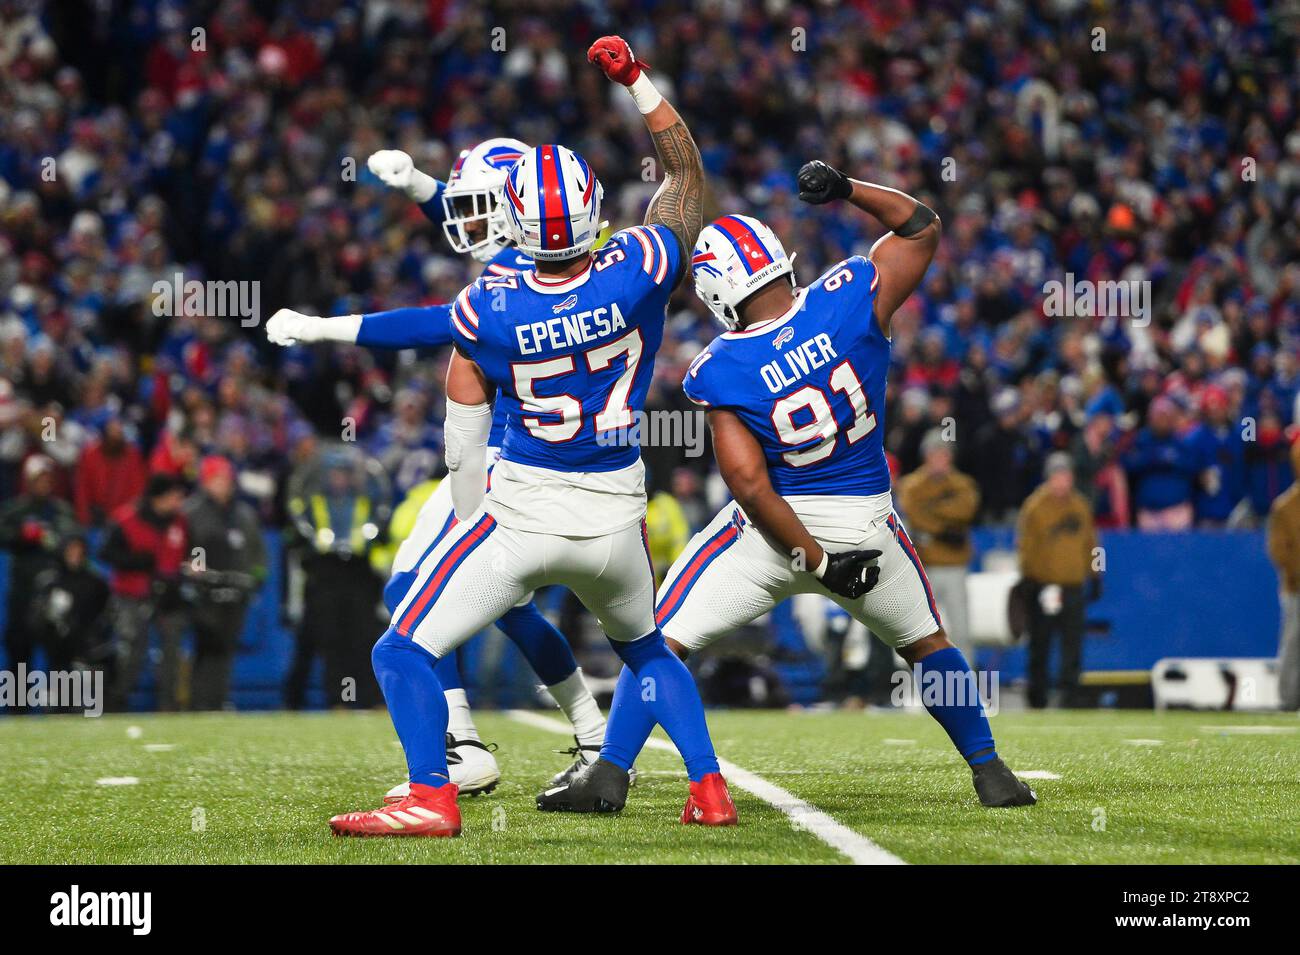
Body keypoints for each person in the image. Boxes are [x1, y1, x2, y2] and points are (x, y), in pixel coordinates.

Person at [327, 36, 732, 837]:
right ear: (594, 209)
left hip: (524, 510)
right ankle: (709, 788)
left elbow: (459, 414)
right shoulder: (643, 262)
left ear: (515, 225)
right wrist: (636, 82)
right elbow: (686, 177)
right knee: (648, 652)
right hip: (619, 513)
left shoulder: (491, 307)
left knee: (400, 645)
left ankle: (431, 795)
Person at [545, 160, 1035, 813]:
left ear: (717, 291)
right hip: (866, 524)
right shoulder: (849, 295)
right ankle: (990, 769)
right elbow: (921, 228)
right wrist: (847, 190)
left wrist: (811, 556)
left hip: (772, 535)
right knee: (926, 645)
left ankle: (610, 772)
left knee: (658, 641)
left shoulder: (722, 365)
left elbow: (747, 482)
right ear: (779, 258)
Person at [267, 136, 607, 795]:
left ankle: (462, 747)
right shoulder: (556, 261)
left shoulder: (515, 279)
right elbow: (466, 223)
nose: (464, 220)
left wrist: (318, 326)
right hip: (552, 461)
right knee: (505, 608)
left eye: (482, 206)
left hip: (503, 459)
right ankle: (592, 733)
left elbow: (431, 323)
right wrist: (421, 184)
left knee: (409, 595)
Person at [283, 452, 388, 712]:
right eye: (336, 474)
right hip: (325, 574)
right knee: (331, 641)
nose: (340, 479)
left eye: (345, 473)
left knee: (365, 638)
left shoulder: (364, 503)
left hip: (359, 573)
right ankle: (338, 700)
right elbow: (297, 537)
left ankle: (371, 699)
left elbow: (380, 535)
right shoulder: (314, 504)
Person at [182, 455, 266, 711]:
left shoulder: (244, 515)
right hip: (203, 593)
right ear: (205, 482)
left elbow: (258, 553)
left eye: (226, 479)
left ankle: (218, 700)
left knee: (227, 649)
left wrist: (255, 579)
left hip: (237, 592)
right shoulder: (190, 513)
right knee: (206, 647)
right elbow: (180, 550)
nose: (223, 485)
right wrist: (191, 573)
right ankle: (198, 702)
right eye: (217, 479)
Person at [1017, 452, 1098, 708]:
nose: (1062, 481)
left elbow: (1092, 543)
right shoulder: (1035, 506)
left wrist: (1096, 574)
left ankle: (1070, 693)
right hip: (1044, 585)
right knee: (1040, 640)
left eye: (1066, 476)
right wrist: (1028, 576)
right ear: (1049, 477)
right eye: (1057, 476)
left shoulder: (1081, 505)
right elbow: (1025, 545)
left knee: (1072, 641)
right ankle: (1037, 694)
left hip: (1073, 584)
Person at [101, 473, 188, 711]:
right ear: (157, 498)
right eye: (173, 496)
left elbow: (193, 552)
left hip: (169, 595)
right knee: (132, 651)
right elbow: (106, 553)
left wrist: (193, 568)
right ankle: (116, 702)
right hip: (131, 595)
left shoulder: (179, 522)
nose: (178, 501)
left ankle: (168, 706)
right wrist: (136, 561)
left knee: (172, 651)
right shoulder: (125, 519)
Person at [0, 455, 80, 703]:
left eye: (48, 479)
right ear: (28, 480)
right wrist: (21, 535)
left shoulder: (62, 510)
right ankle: (16, 706)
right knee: (19, 650)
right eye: (39, 479)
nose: (44, 484)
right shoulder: (15, 509)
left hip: (56, 591)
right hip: (24, 590)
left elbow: (73, 539)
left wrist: (54, 539)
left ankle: (63, 706)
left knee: (61, 651)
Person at [896, 429, 981, 656]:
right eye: (935, 454)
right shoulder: (913, 485)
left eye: (944, 454)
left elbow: (965, 510)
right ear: (926, 456)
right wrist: (945, 526)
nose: (940, 459)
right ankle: (922, 680)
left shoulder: (962, 484)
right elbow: (913, 516)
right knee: (920, 630)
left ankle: (965, 681)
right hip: (924, 567)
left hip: (955, 565)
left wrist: (931, 519)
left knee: (961, 628)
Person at [1265, 438, 1300, 711]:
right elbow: (1278, 550)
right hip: (1295, 588)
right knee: (1293, 641)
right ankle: (1288, 698)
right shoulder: (1285, 506)